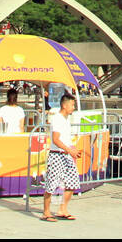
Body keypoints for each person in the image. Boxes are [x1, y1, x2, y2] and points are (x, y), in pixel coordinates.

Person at [42, 92, 82, 221]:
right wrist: (69, 151)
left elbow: (65, 139)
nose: (73, 107)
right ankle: (46, 212)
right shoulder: (57, 119)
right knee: (51, 184)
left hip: (66, 155)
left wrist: (73, 149)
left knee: (72, 181)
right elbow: (56, 139)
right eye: (72, 105)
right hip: (56, 155)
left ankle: (62, 209)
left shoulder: (65, 120)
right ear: (65, 106)